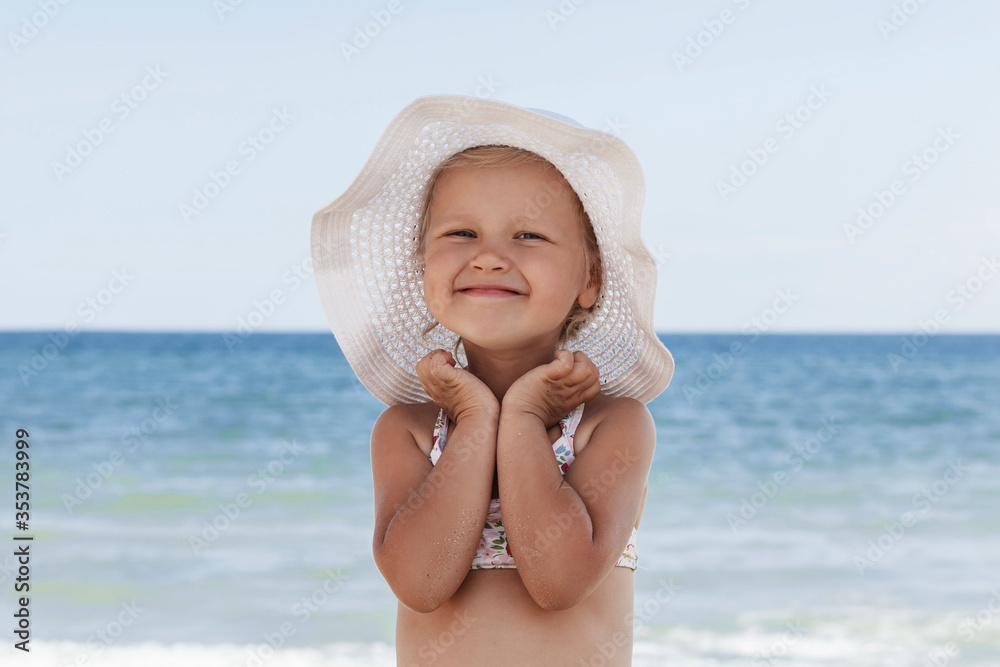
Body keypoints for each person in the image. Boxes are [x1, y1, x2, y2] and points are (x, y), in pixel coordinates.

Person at [311, 96, 674, 666]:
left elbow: (559, 583)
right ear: (422, 262)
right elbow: (420, 583)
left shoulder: (611, 425)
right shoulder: (407, 430)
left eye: (528, 236)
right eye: (460, 233)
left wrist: (525, 418)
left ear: (590, 276)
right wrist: (477, 420)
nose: (487, 257)